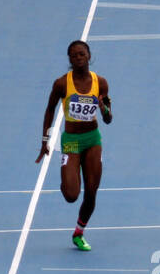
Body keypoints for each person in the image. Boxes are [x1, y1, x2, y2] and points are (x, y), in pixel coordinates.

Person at [37, 40, 111, 251]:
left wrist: (104, 108)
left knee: (91, 192)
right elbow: (50, 110)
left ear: (89, 56)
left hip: (92, 140)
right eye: (74, 55)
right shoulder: (61, 84)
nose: (78, 58)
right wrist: (45, 141)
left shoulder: (101, 83)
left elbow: (108, 119)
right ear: (69, 59)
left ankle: (79, 232)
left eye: (82, 54)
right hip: (71, 141)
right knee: (71, 195)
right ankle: (67, 177)